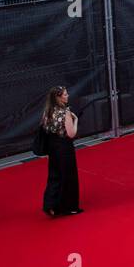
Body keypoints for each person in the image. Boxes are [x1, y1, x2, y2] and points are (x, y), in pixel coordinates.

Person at [41, 86, 82, 217]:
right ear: (59, 97)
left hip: (52, 147)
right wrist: (76, 121)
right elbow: (71, 134)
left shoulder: (47, 112)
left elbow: (45, 130)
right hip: (64, 148)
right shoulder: (65, 113)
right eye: (65, 94)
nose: (68, 95)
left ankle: (50, 205)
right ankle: (69, 207)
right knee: (69, 176)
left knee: (54, 176)